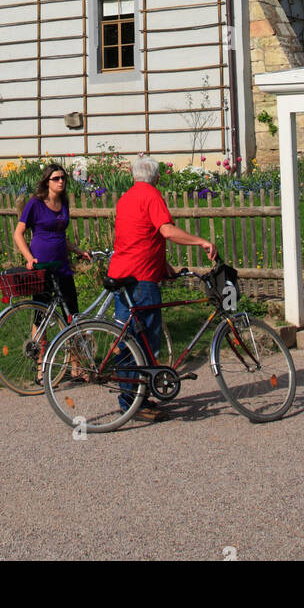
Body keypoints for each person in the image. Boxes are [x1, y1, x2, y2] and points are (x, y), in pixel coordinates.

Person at [108, 154, 216, 414]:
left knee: (127, 339)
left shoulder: (126, 198)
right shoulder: (153, 196)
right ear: (156, 177)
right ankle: (136, 402)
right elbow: (166, 230)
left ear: (134, 176)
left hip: (122, 273)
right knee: (146, 341)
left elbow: (139, 234)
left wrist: (163, 264)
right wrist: (201, 241)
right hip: (142, 278)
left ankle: (130, 400)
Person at [13, 163, 90, 318]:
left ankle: (72, 341)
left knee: (72, 310)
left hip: (61, 263)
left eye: (63, 178)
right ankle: (39, 342)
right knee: (40, 313)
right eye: (56, 178)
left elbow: (60, 235)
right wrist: (29, 258)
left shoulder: (64, 203)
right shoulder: (35, 203)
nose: (60, 181)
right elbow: (18, 234)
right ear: (47, 182)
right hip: (42, 263)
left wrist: (78, 250)